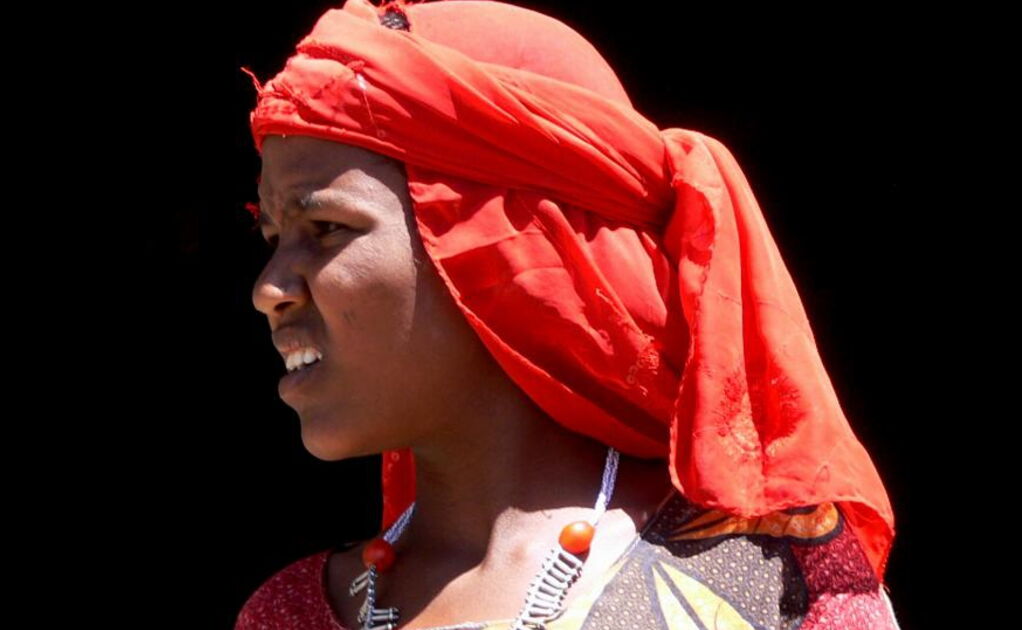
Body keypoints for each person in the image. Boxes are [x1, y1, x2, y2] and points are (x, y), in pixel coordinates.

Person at [235, 1, 900, 628]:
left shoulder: (765, 586)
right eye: (270, 239)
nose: (270, 288)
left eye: (323, 226)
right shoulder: (291, 612)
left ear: (501, 244)